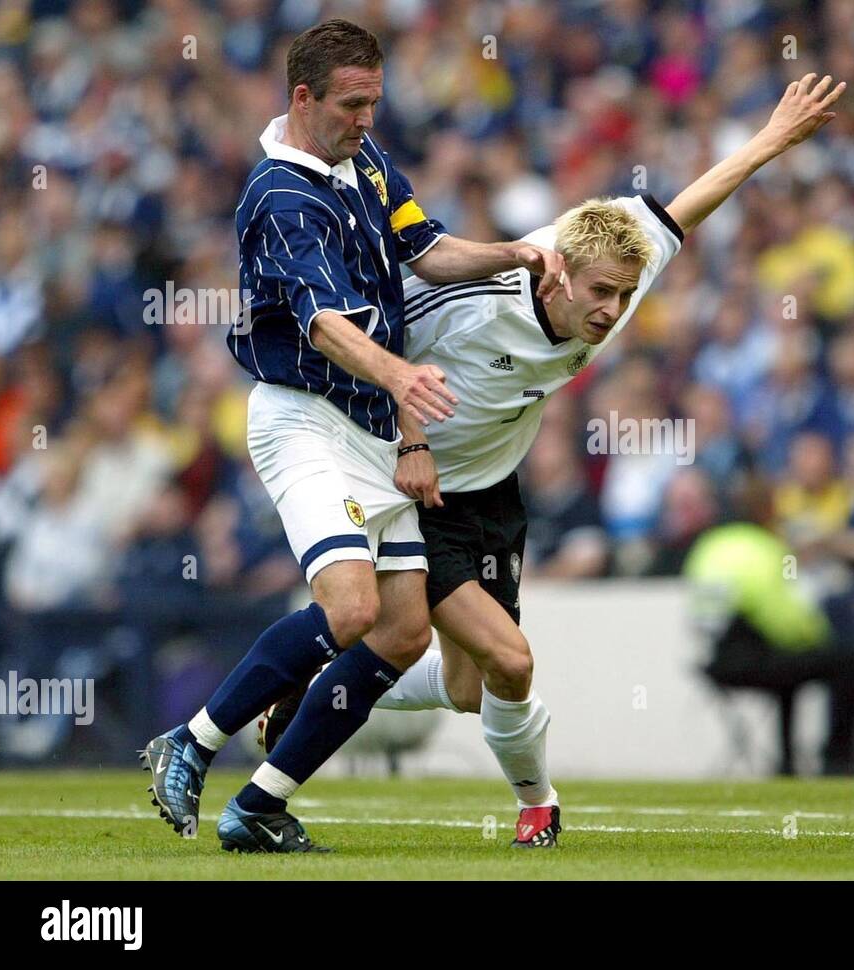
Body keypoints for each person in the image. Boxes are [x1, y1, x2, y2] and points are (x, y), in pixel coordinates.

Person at [260, 73, 848, 838]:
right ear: (559, 272)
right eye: (600, 293)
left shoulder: (620, 273)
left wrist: (772, 139)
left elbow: (686, 208)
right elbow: (381, 352)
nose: (611, 311)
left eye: (623, 296)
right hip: (423, 492)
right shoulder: (474, 300)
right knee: (513, 658)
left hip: (496, 495)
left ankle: (310, 683)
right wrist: (401, 445)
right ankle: (538, 809)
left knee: (473, 688)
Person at [140, 19, 568, 853]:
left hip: (373, 422)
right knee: (351, 606)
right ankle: (189, 743)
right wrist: (403, 380)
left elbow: (426, 249)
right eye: (352, 103)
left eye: (375, 100)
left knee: (404, 634)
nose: (368, 117)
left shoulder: (363, 161)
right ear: (303, 98)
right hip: (305, 417)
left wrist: (512, 253)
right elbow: (328, 323)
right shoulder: (281, 197)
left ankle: (261, 805)